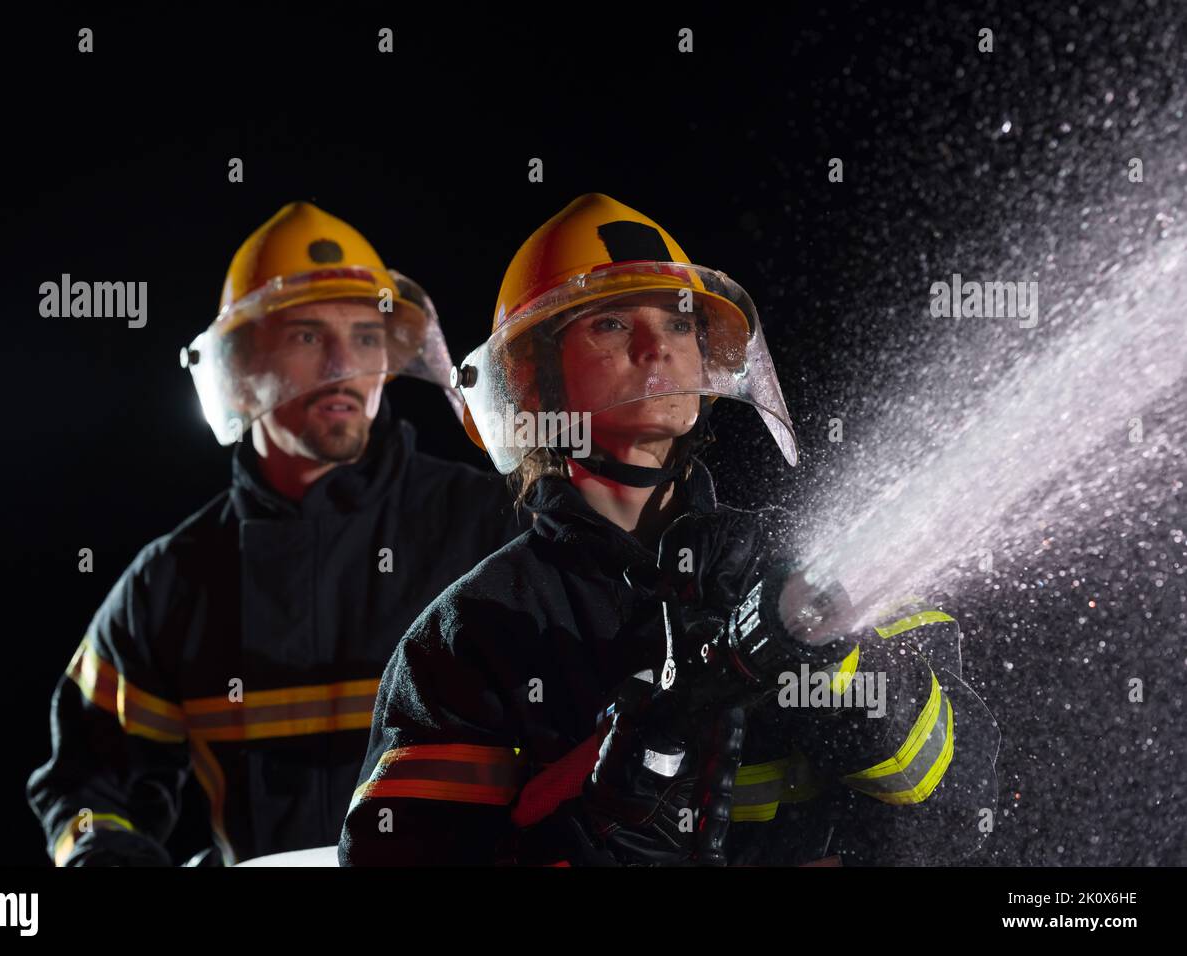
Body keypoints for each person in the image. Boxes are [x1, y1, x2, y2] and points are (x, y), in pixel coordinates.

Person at [340, 193, 1000, 866]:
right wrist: (588, 819)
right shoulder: (472, 633)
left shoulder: (809, 564)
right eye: (610, 324)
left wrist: (827, 660)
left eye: (681, 324)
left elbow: (957, 809)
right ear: (530, 378)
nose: (657, 347)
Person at [27, 202, 524, 866]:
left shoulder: (491, 530)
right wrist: (101, 849)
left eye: (367, 337)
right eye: (307, 336)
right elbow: (84, 784)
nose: (344, 365)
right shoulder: (172, 580)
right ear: (241, 365)